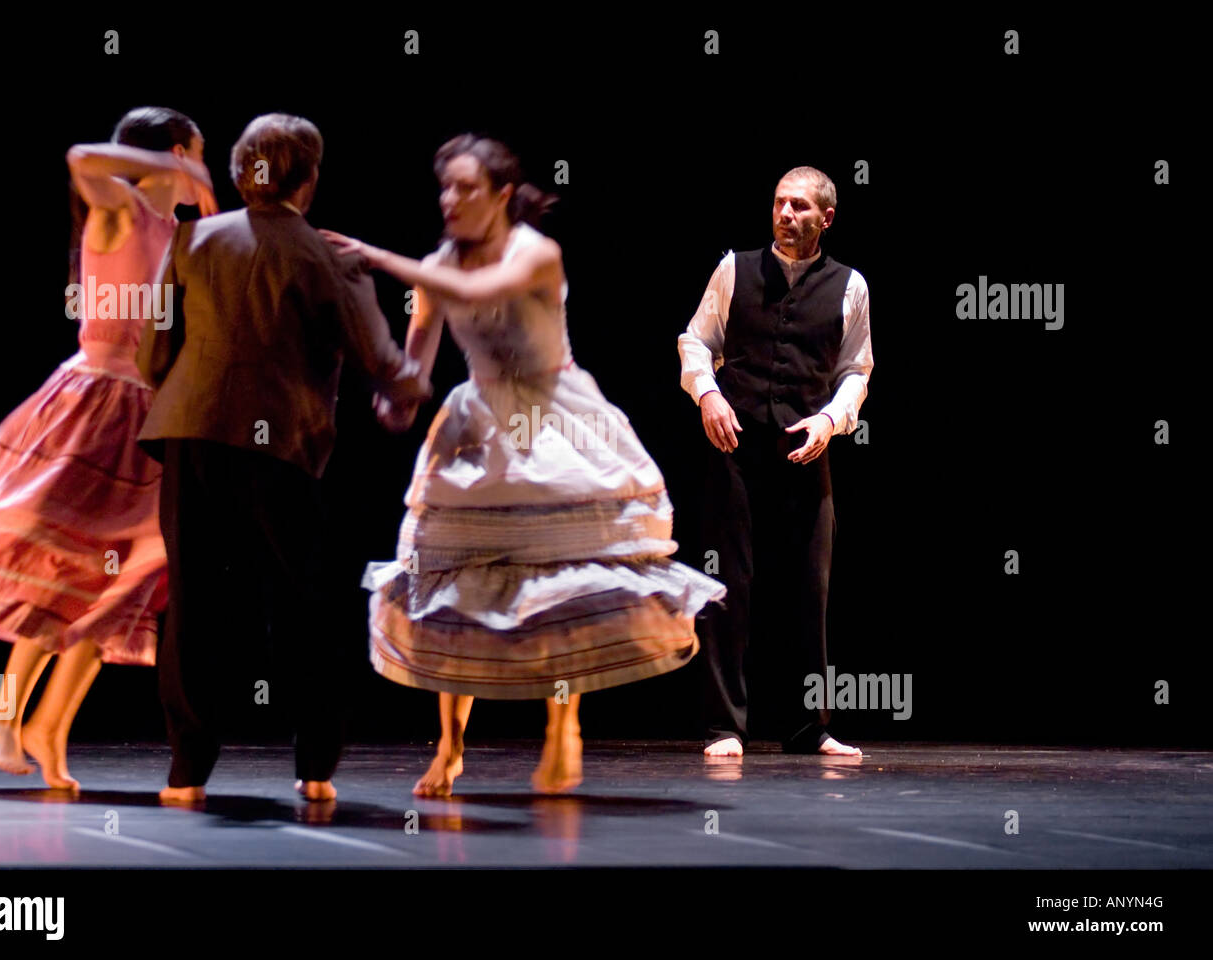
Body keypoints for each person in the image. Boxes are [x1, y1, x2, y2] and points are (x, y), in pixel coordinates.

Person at [324, 134, 725, 796]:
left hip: (553, 416)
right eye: (444, 188)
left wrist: (373, 256)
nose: (450, 200)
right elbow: (417, 365)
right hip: (479, 423)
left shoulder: (535, 253)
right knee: (451, 579)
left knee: (560, 573)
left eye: (466, 188)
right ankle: (450, 747)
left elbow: (476, 286)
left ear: (503, 197)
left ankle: (562, 724)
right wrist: (397, 398)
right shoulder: (437, 264)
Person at [0, 107, 215, 790]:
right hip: (94, 402)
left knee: (123, 580)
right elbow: (81, 157)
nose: (203, 162)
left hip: (151, 413)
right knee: (60, 561)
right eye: (195, 151)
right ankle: (5, 712)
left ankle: (49, 726)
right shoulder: (121, 211)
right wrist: (177, 168)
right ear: (174, 151)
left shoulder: (180, 234)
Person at [137, 114, 431, 804]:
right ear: (309, 178)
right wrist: (417, 371)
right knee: (307, 606)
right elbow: (384, 365)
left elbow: (154, 357)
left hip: (192, 435)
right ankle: (316, 767)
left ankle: (186, 774)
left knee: (195, 604)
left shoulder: (192, 238)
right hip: (281, 448)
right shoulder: (328, 256)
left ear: (243, 173)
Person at [678, 165, 873, 758]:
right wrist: (707, 393)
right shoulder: (734, 268)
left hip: (802, 447)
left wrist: (831, 420)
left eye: (799, 207)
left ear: (826, 218)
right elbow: (695, 341)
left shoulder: (849, 286)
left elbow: (856, 370)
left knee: (807, 588)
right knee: (725, 584)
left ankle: (808, 727)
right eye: (779, 203)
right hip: (735, 446)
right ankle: (724, 727)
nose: (785, 214)